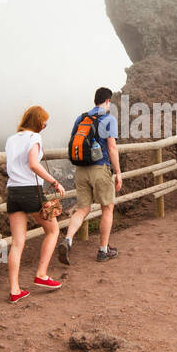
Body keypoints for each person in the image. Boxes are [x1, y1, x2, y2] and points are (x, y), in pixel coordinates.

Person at [4, 105, 66, 303]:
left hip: (13, 191)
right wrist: (54, 182)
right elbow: (33, 163)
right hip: (31, 190)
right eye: (45, 121)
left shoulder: (11, 139)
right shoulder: (35, 138)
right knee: (53, 230)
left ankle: (15, 290)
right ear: (39, 122)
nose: (46, 124)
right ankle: (41, 274)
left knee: (17, 242)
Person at [58, 87, 122, 264]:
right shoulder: (109, 119)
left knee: (82, 209)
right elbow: (112, 147)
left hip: (81, 169)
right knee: (107, 208)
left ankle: (68, 240)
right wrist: (118, 172)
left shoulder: (81, 117)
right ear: (108, 101)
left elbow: (73, 140)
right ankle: (103, 250)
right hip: (100, 168)